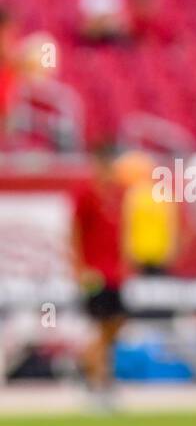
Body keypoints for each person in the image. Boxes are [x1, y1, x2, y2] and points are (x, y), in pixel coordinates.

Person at [70, 144, 127, 409]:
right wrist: (79, 268)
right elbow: (75, 233)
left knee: (113, 326)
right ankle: (97, 380)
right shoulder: (86, 194)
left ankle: (94, 370)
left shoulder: (117, 195)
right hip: (96, 274)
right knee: (99, 327)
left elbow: (121, 235)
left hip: (115, 274)